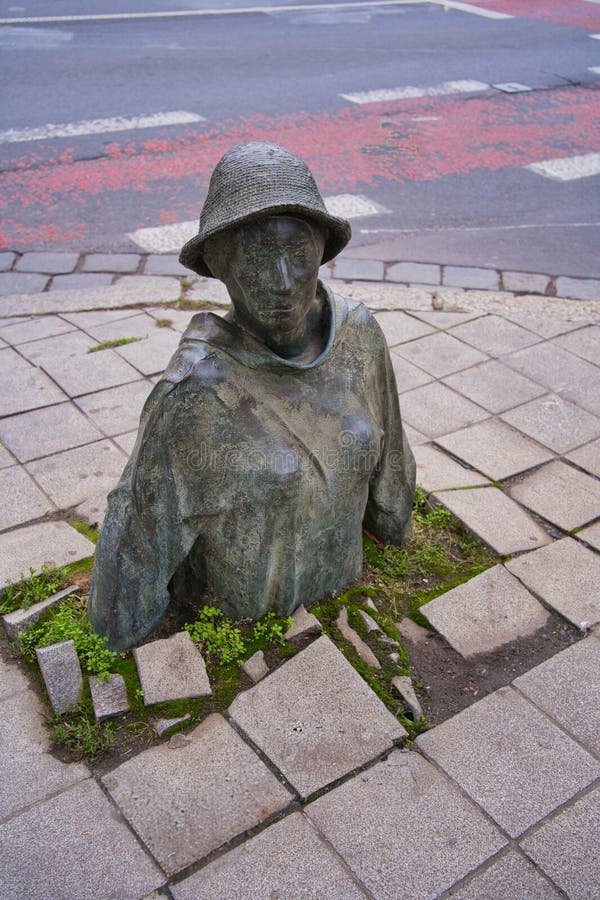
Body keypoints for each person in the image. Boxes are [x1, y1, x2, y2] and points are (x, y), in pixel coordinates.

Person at [88, 142, 415, 651]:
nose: (283, 282)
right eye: (259, 258)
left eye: (298, 254)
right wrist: (107, 650)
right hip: (254, 629)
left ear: (320, 254)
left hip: (343, 587)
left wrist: (394, 528)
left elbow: (391, 464)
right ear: (220, 264)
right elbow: (136, 546)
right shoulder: (197, 392)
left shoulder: (358, 335)